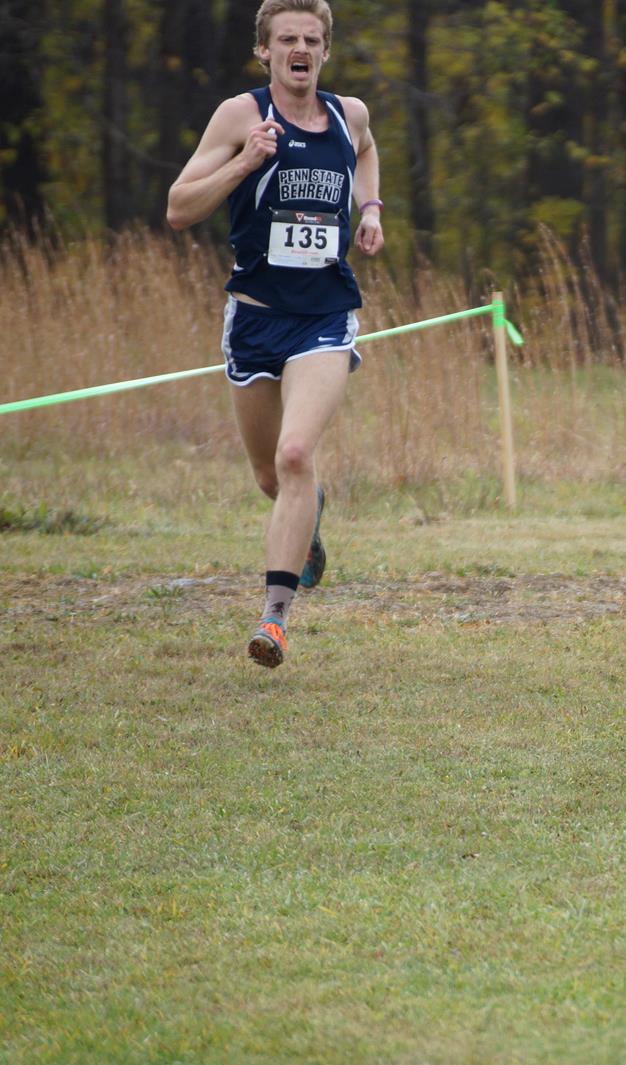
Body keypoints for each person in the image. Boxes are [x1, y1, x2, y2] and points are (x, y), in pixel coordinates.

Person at [166, 0, 383, 668]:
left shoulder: (350, 116)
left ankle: (274, 619)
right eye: (286, 38)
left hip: (324, 316)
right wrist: (243, 165)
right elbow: (178, 208)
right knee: (271, 473)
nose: (300, 49)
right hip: (255, 317)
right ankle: (308, 521)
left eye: (311, 40)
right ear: (264, 51)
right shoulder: (240, 115)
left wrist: (370, 209)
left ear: (325, 52)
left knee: (294, 454)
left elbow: (368, 152)